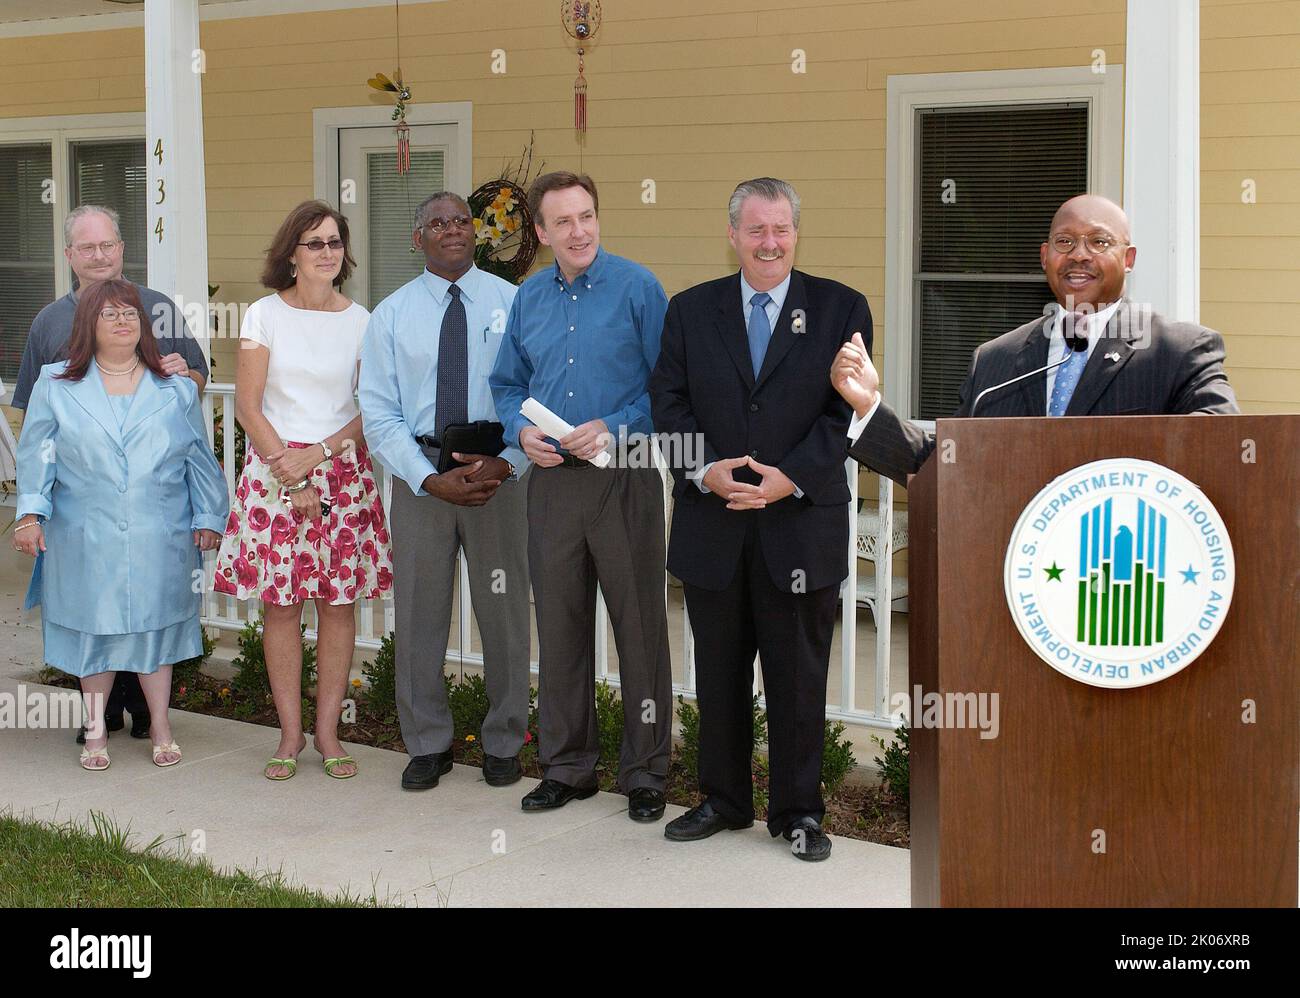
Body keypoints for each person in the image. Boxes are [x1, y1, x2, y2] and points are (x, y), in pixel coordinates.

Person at [650, 178, 869, 861]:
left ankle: (799, 813)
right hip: (712, 526)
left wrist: (788, 480)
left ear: (797, 233)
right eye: (755, 230)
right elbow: (668, 403)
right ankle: (722, 799)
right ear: (733, 235)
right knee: (716, 676)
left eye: (781, 230)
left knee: (798, 682)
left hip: (799, 525)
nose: (769, 243)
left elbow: (848, 413)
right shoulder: (690, 311)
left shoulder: (839, 308)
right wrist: (706, 470)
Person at [489, 171, 673, 821]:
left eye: (587, 216)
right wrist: (522, 429)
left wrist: (617, 425)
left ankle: (647, 772)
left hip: (623, 479)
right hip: (553, 486)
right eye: (563, 221)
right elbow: (505, 384)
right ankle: (568, 768)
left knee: (641, 630)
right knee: (559, 628)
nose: (579, 231)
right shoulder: (529, 299)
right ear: (540, 232)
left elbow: (670, 389)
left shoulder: (638, 288)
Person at [833, 194, 1239, 484]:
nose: (1079, 254)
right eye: (1065, 242)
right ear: (1045, 256)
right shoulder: (996, 361)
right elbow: (941, 466)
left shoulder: (1179, 351)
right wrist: (868, 404)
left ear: (1128, 259)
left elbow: (1219, 447)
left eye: (1099, 242)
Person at [11, 204, 210, 744]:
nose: (100, 256)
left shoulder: (157, 307)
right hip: (83, 502)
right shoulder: (48, 322)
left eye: (109, 246)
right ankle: (98, 717)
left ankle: (147, 714)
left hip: (150, 500)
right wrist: (36, 501)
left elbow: (196, 377)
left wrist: (181, 372)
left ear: (121, 249)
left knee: (147, 602)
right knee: (91, 605)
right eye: (87, 247)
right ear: (70, 254)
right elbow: (34, 412)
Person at [213, 200, 392, 781]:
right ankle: (289, 734)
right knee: (281, 606)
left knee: (337, 608)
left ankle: (328, 733)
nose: (326, 253)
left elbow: (372, 409)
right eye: (314, 243)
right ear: (291, 252)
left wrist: (319, 455)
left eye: (335, 242)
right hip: (274, 473)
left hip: (342, 475)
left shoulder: (363, 321)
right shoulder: (264, 314)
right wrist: (288, 468)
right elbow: (247, 403)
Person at [359, 191, 531, 791]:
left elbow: (538, 396)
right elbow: (378, 413)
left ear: (474, 233)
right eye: (437, 223)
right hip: (422, 479)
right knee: (420, 614)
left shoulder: (516, 303)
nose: (452, 230)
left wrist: (507, 463)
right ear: (418, 239)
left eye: (461, 221)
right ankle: (427, 742)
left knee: (505, 613)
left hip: (498, 480)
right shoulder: (391, 315)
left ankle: (506, 741)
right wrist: (428, 477)